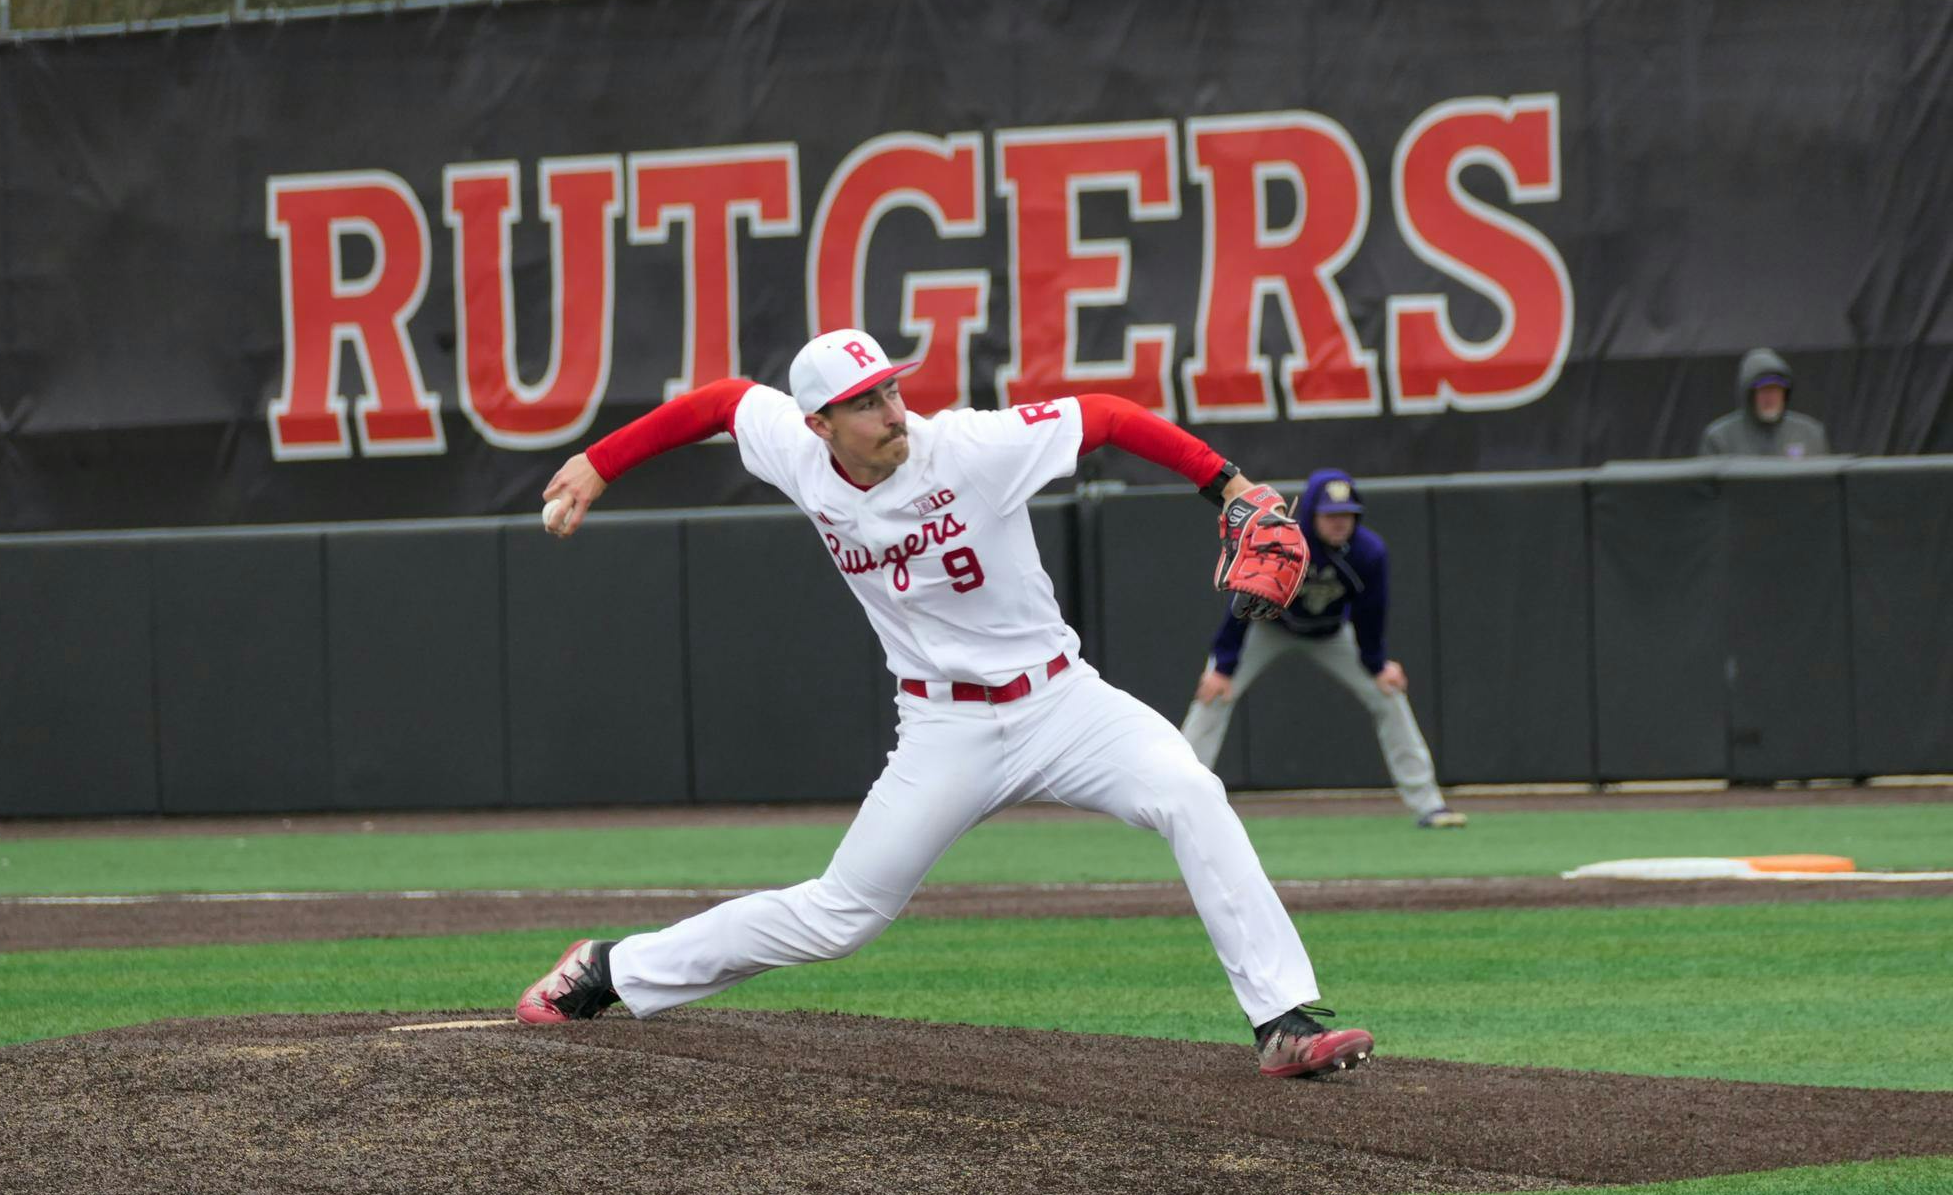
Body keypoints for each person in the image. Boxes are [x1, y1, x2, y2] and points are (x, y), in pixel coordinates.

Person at [513, 328, 1373, 1080]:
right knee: (840, 915)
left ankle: (1284, 1020)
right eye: (865, 401)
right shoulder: (793, 448)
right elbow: (718, 402)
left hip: (1063, 701)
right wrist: (598, 461)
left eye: (891, 386)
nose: (892, 409)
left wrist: (1224, 484)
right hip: (944, 727)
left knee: (1190, 791)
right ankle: (608, 969)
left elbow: (1106, 414)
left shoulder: (968, 446)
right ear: (819, 425)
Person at [1179, 469, 1466, 830]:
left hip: (1332, 634)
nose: (1339, 522)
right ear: (1312, 512)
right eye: (1331, 514)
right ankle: (1176, 797)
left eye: (1346, 514)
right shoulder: (1284, 540)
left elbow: (1371, 615)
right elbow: (1243, 603)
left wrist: (1376, 664)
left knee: (1389, 693)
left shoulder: (1368, 553)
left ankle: (1428, 804)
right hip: (1270, 627)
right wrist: (1223, 665)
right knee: (1213, 693)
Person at [1697, 347, 1832, 458]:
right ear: (1749, 395)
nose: (1770, 397)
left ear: (1785, 393)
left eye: (1776, 390)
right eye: (1763, 390)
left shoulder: (1810, 433)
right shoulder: (1720, 438)